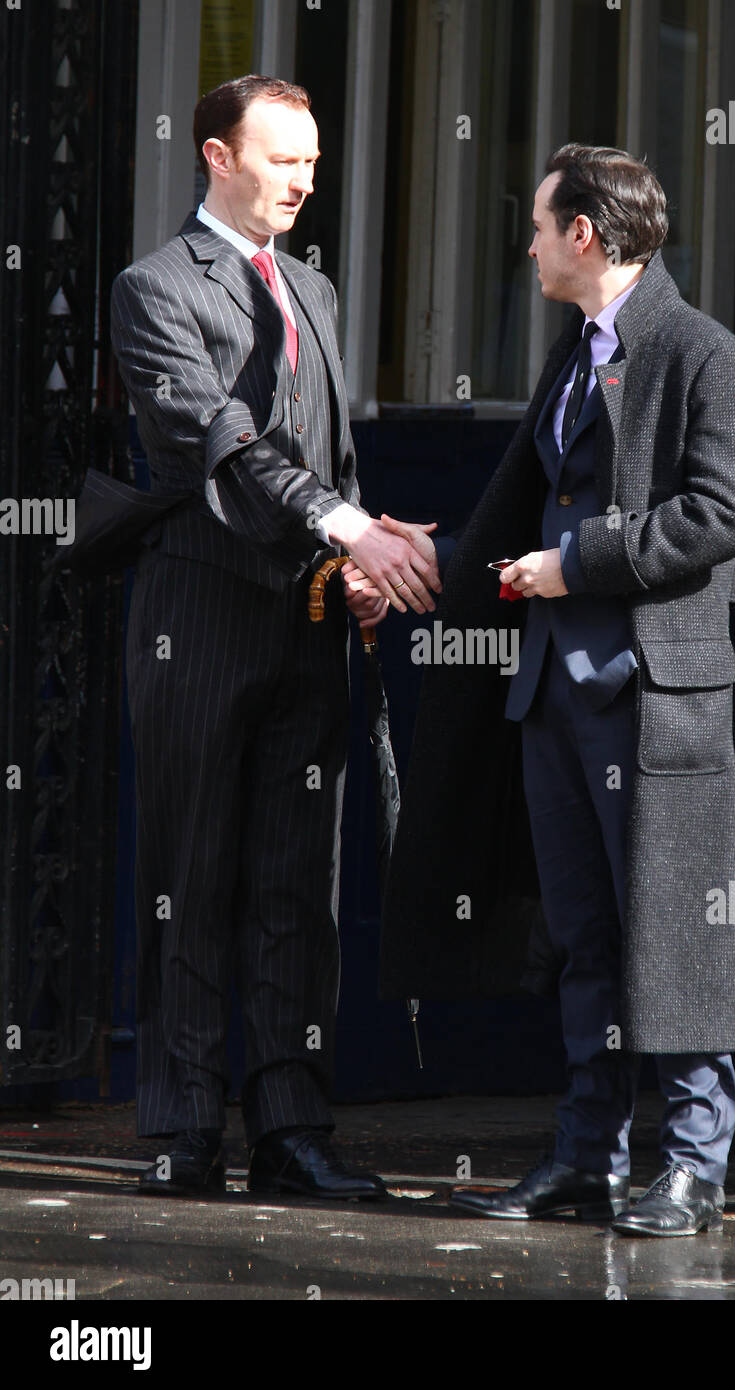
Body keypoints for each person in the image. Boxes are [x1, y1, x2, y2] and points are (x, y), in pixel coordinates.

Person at [375, 145, 735, 1235]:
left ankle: (692, 1167)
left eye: (542, 225)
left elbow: (723, 515)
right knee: (584, 938)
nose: (532, 245)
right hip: (553, 694)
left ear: (584, 234)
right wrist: (412, 568)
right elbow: (513, 511)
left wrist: (577, 562)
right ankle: (584, 1157)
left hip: (656, 699)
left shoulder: (705, 354)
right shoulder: (574, 354)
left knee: (675, 932)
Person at [108, 74, 440, 1199]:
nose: (304, 178)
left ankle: (290, 1129)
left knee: (297, 885)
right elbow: (218, 434)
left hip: (305, 628)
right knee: (191, 876)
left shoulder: (313, 289)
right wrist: (343, 525)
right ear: (215, 155)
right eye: (282, 156)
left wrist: (353, 560)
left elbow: (330, 456)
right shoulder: (154, 288)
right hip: (198, 620)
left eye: (310, 158)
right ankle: (183, 1127)